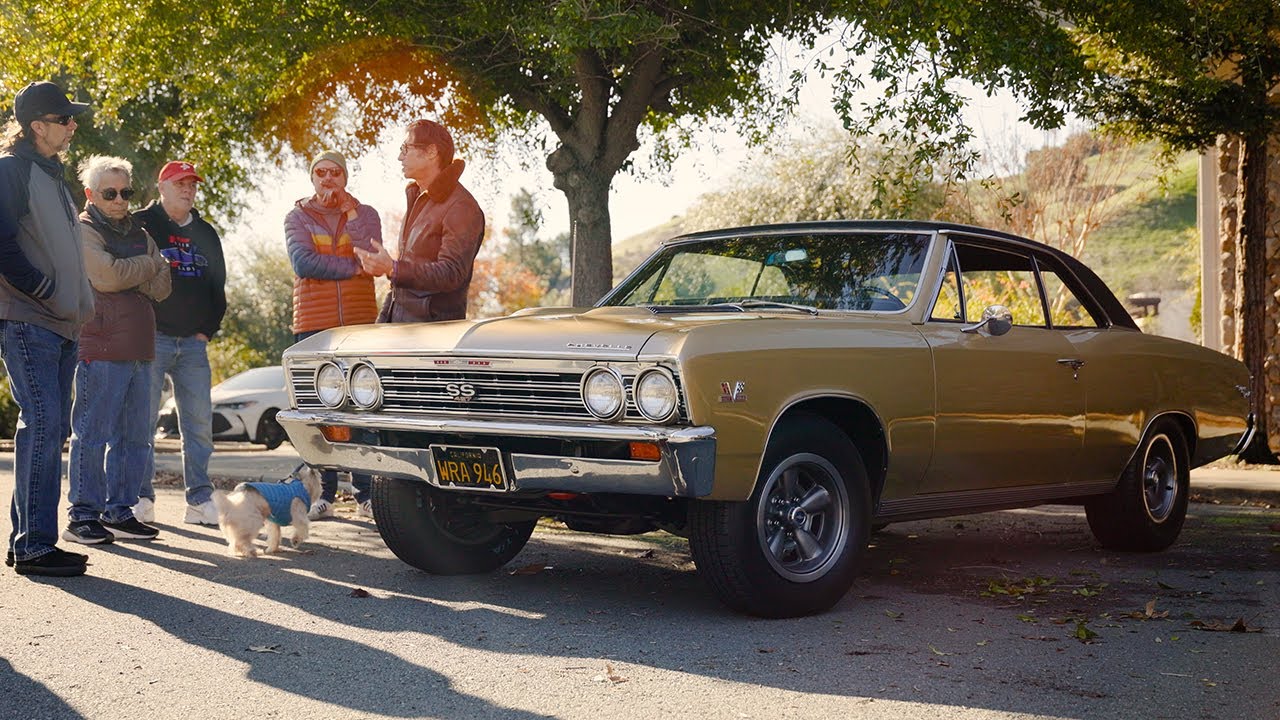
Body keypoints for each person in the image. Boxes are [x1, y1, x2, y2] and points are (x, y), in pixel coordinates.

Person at [0, 81, 94, 576]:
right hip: (29, 319)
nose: (72, 125)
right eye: (64, 119)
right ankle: (37, 545)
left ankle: (25, 541)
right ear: (37, 126)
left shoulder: (52, 175)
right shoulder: (11, 171)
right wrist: (40, 288)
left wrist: (78, 300)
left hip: (62, 322)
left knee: (46, 428)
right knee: (43, 424)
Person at [63, 156, 171, 545]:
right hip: (101, 346)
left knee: (135, 436)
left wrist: (137, 270)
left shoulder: (140, 232)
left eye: (125, 192)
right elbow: (106, 277)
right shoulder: (83, 228)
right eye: (110, 193)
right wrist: (147, 266)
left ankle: (119, 510)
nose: (120, 200)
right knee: (92, 433)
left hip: (141, 346)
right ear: (92, 194)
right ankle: (82, 516)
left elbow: (164, 285)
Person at [284, 150, 379, 520]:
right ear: (312, 177)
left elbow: (370, 253)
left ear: (345, 177)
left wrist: (350, 212)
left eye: (335, 172)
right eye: (321, 172)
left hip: (359, 323)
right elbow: (303, 262)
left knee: (363, 408)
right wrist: (353, 267)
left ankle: (366, 493)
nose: (328, 179)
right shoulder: (297, 216)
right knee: (316, 410)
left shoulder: (365, 213)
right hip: (313, 323)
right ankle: (324, 491)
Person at [133, 160, 227, 526]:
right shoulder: (142, 224)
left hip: (192, 345)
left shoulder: (206, 233)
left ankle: (199, 501)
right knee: (142, 421)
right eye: (180, 183)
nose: (188, 190)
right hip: (150, 339)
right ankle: (141, 497)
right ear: (161, 187)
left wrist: (207, 330)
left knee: (199, 424)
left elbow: (218, 289)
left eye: (192, 184)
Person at [354, 119, 485, 323]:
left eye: (406, 148)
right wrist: (382, 323)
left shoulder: (462, 206)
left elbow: (451, 273)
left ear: (432, 152)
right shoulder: (418, 199)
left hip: (432, 336)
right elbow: (400, 284)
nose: (399, 157)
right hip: (402, 331)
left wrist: (392, 269)